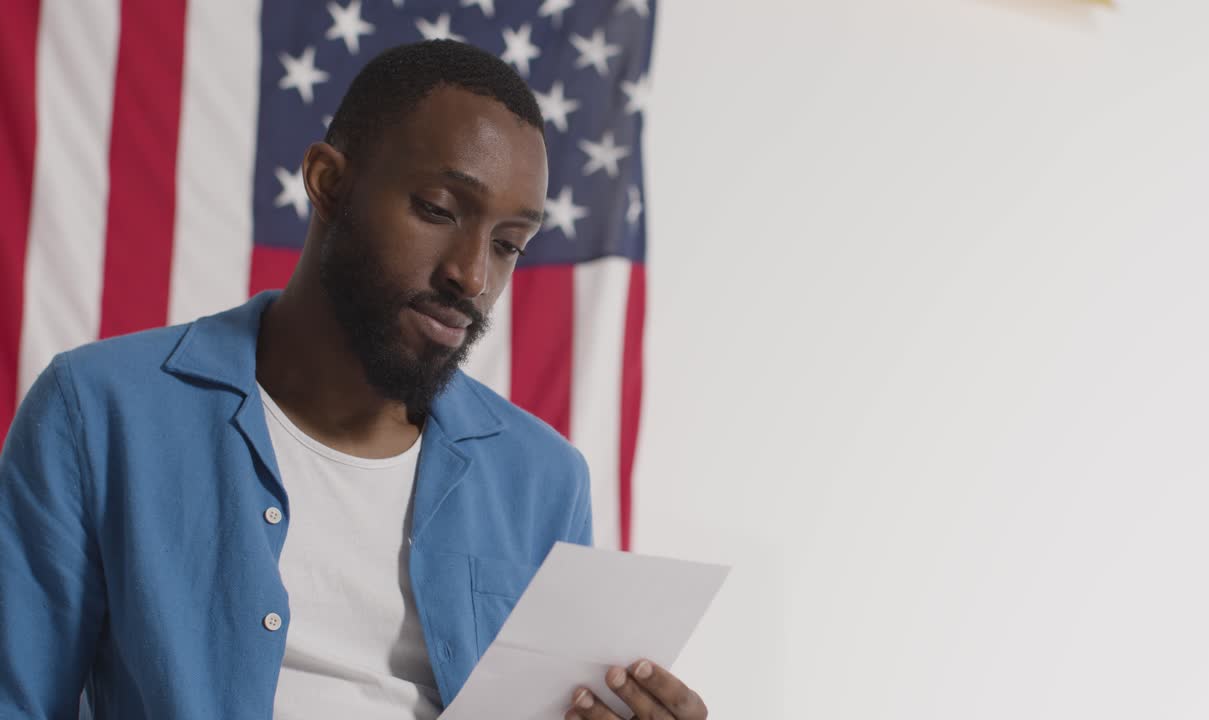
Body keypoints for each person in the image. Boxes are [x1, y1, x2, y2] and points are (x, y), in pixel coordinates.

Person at [0, 40, 707, 720]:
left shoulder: (545, 480)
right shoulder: (97, 412)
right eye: (438, 210)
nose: (472, 275)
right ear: (328, 183)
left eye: (508, 245)